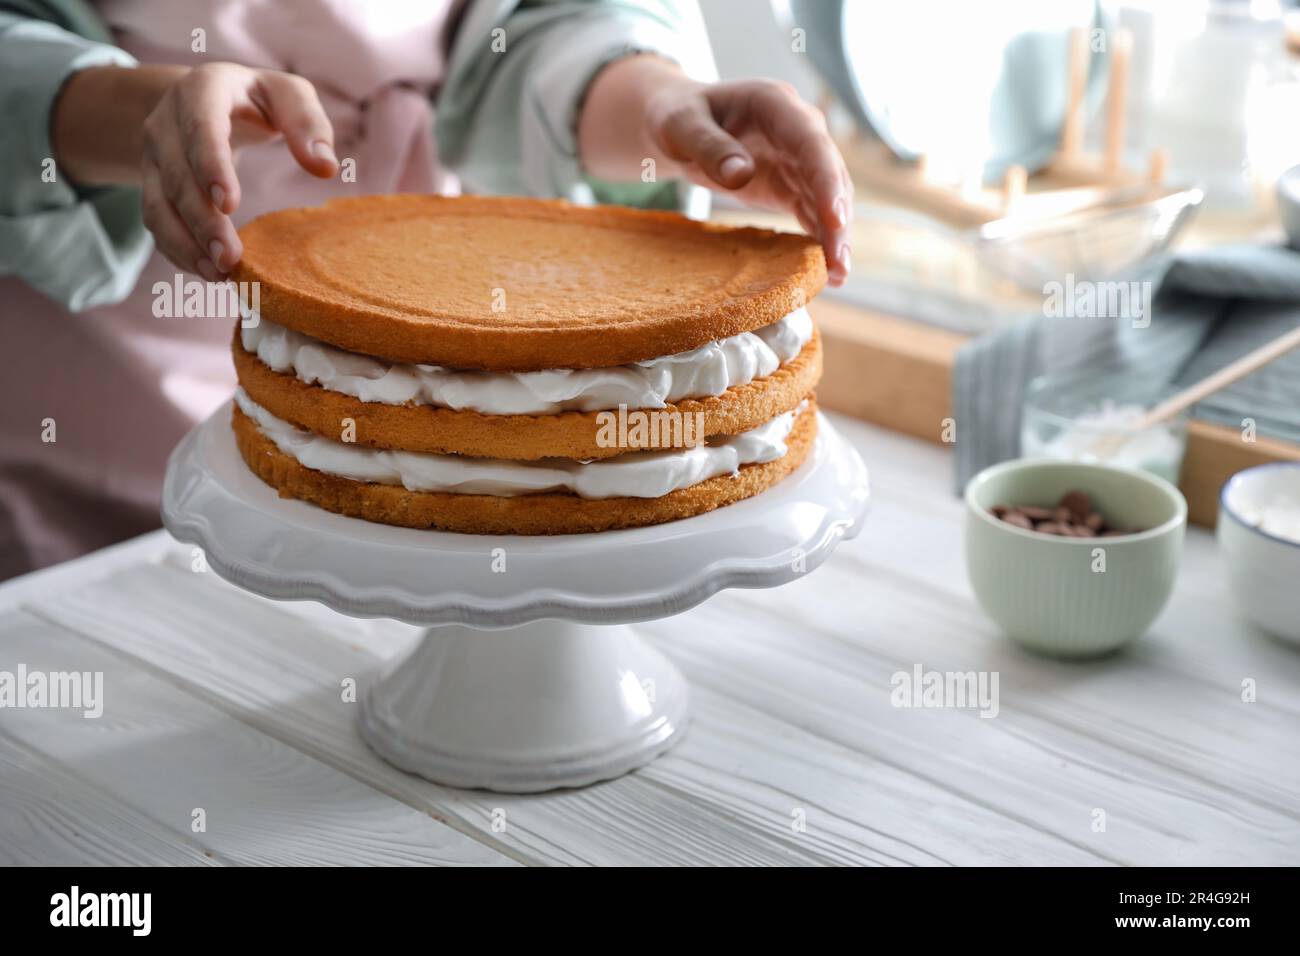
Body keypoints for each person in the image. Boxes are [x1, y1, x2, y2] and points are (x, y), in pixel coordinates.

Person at [0, 0, 852, 579]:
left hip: (442, 339)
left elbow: (532, 28)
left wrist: (664, 106)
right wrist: (134, 111)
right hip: (96, 388)